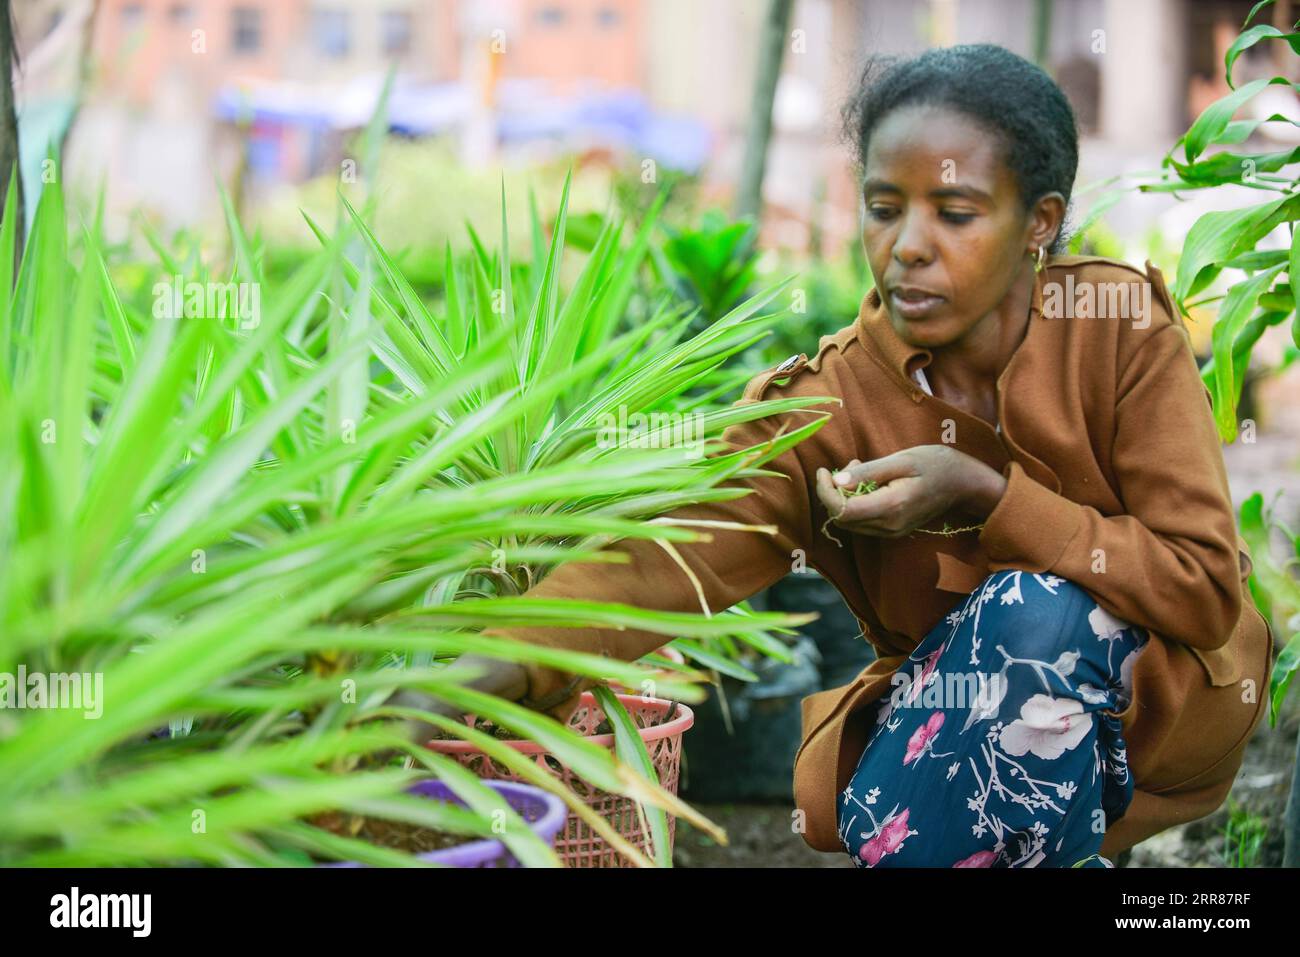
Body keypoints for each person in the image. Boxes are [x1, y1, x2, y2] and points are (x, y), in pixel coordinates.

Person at [404, 45, 1274, 868]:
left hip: (1165, 711)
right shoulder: (830, 401)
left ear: (1039, 223)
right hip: (956, 742)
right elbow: (667, 555)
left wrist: (991, 494)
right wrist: (491, 660)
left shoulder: (1115, 331)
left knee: (1033, 610)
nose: (908, 246)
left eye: (956, 213)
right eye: (884, 207)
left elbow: (1202, 588)